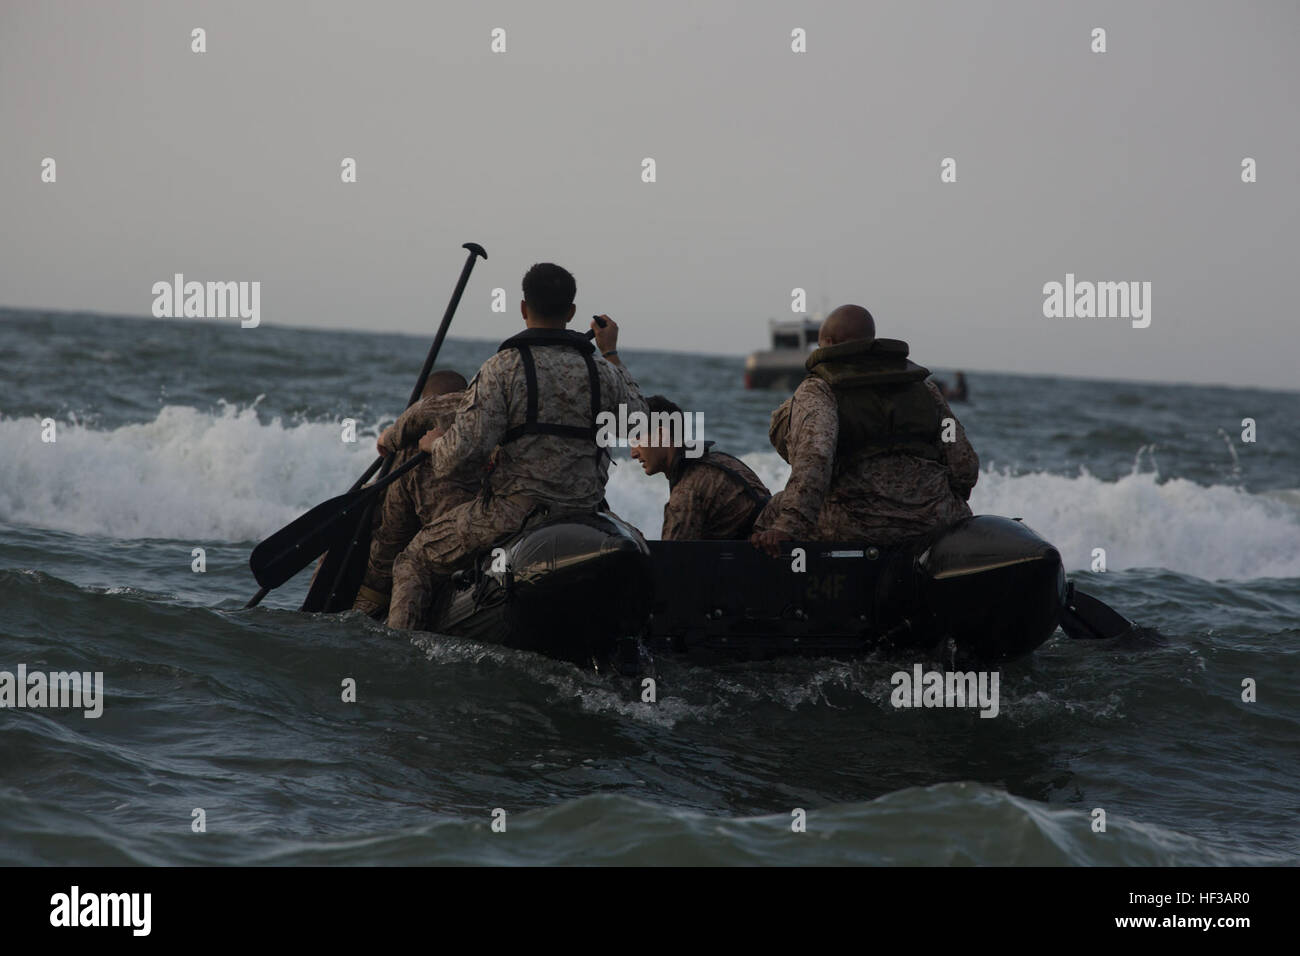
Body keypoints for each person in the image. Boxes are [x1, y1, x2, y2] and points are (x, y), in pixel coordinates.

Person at [387, 262, 648, 630]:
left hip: (511, 513)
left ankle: (399, 659)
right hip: (587, 512)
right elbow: (640, 423)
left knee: (412, 560)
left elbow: (459, 458)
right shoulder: (602, 372)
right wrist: (612, 354)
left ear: (524, 308)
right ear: (571, 312)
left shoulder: (503, 368)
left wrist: (433, 446)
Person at [751, 304, 978, 556]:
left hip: (858, 523)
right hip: (937, 519)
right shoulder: (925, 389)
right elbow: (964, 465)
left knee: (772, 512)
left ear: (828, 342)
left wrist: (787, 527)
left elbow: (816, 457)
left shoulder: (820, 389)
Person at [350, 370, 479, 619]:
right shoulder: (479, 439)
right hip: (467, 546)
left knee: (407, 560)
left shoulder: (412, 452)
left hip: (400, 575)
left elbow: (392, 533)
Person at [630, 394, 771, 540]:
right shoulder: (722, 460)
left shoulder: (687, 492)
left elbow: (672, 558)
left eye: (637, 439)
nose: (633, 453)